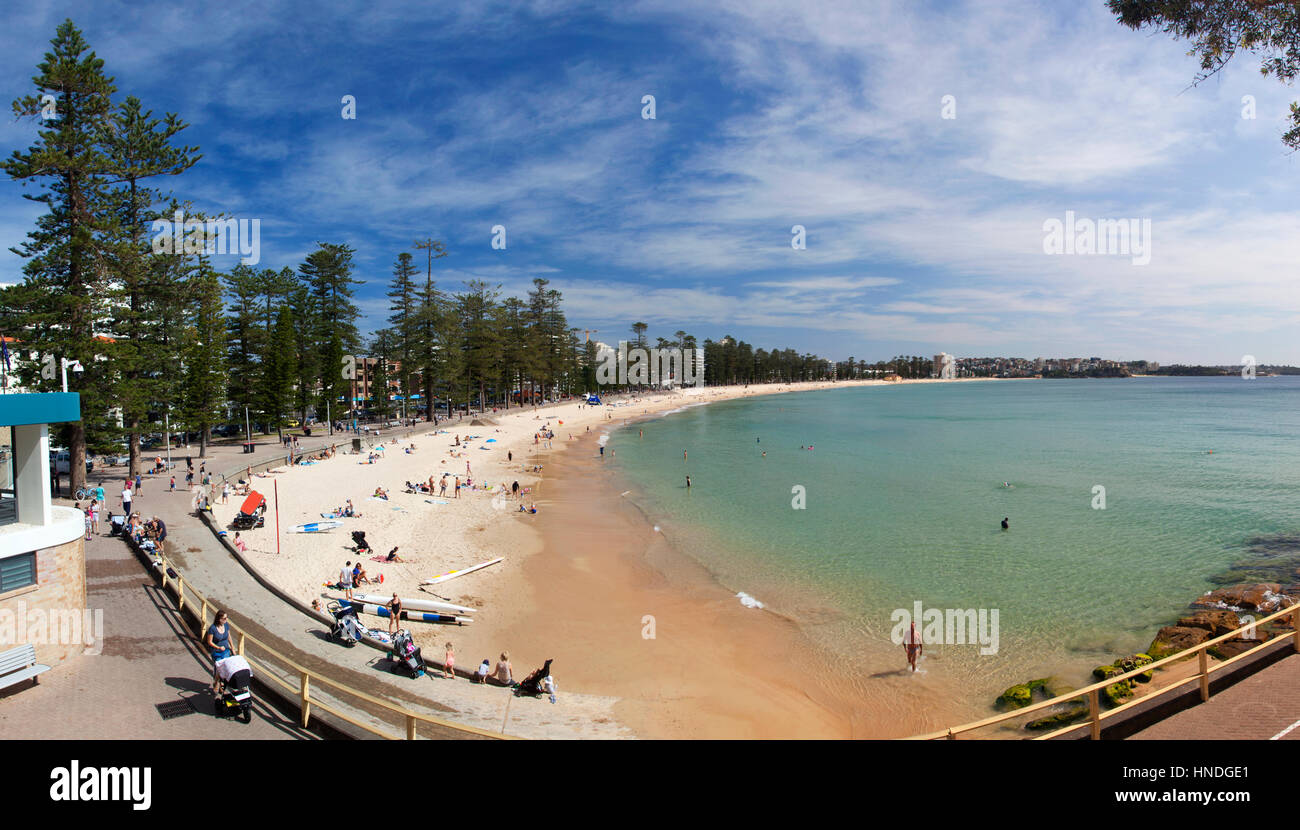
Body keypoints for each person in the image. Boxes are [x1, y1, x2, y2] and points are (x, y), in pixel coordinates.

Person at [205, 610, 233, 692]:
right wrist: (218, 647)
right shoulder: (212, 628)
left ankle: (221, 684)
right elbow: (209, 642)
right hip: (216, 652)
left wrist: (232, 648)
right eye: (224, 618)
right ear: (219, 619)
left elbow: (229, 636)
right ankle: (217, 682)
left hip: (226, 650)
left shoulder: (226, 625)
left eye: (226, 618)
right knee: (219, 668)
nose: (226, 620)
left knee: (225, 667)